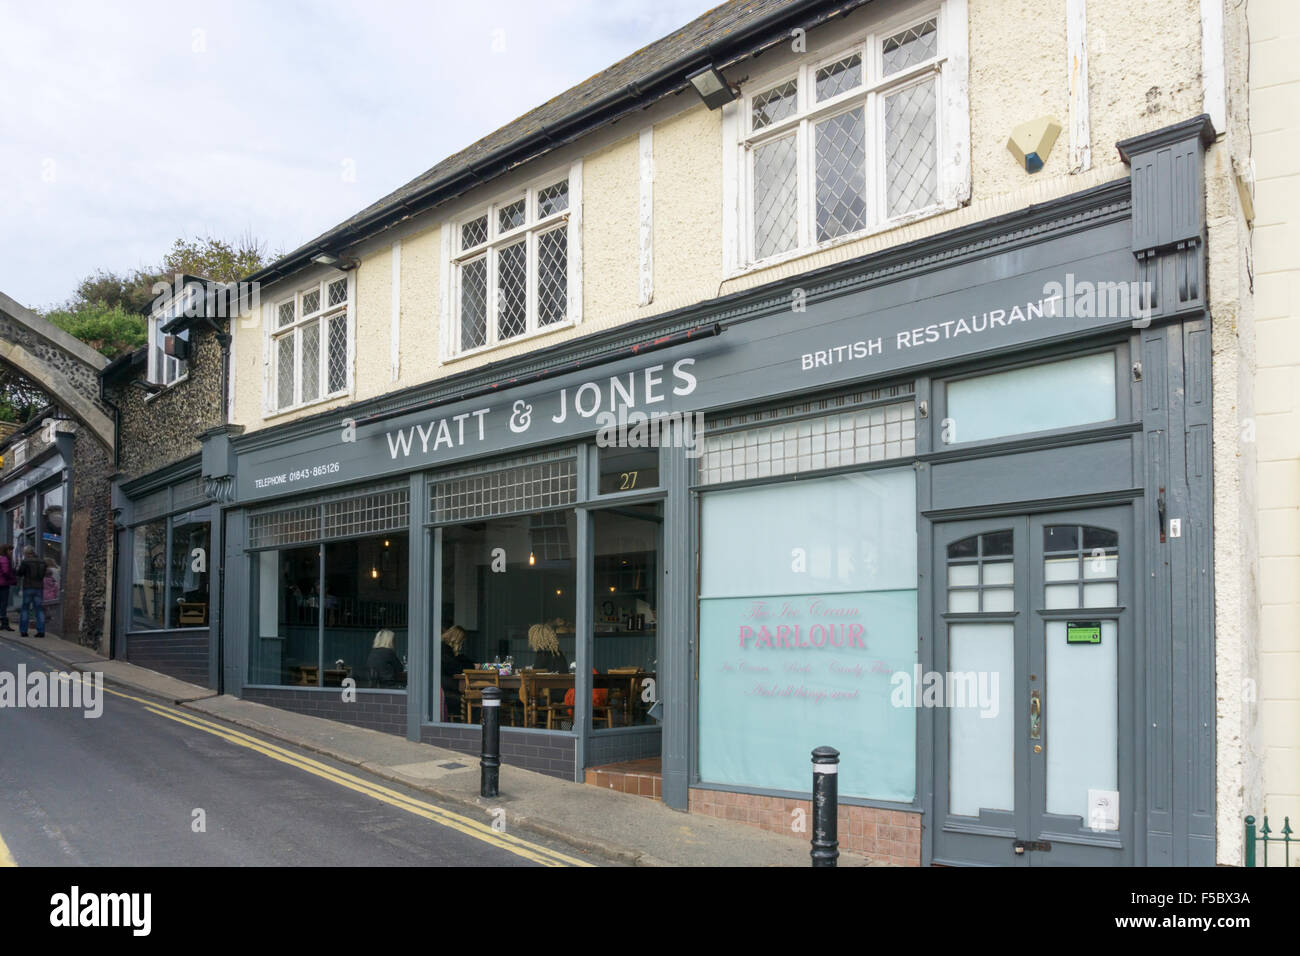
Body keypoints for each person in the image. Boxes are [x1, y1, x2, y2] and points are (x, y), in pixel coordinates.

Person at [440, 624, 473, 720]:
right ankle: (473, 723)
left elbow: (455, 664)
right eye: (462, 641)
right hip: (446, 687)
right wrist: (471, 665)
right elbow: (455, 668)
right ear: (457, 639)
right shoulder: (445, 650)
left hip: (444, 686)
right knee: (473, 697)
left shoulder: (443, 649)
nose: (462, 644)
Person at [16, 547, 47, 638]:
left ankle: (24, 631)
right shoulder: (42, 562)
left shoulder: (25, 562)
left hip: (28, 587)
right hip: (39, 588)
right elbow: (43, 574)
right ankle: (41, 631)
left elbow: (20, 573)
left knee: (25, 609)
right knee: (39, 609)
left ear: (27, 553)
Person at [0, 544, 16, 632]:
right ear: (6, 550)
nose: (11, 552)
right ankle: (4, 624)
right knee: (3, 603)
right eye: (10, 550)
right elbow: (6, 572)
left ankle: (3, 623)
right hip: (3, 584)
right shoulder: (5, 559)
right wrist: (11, 578)